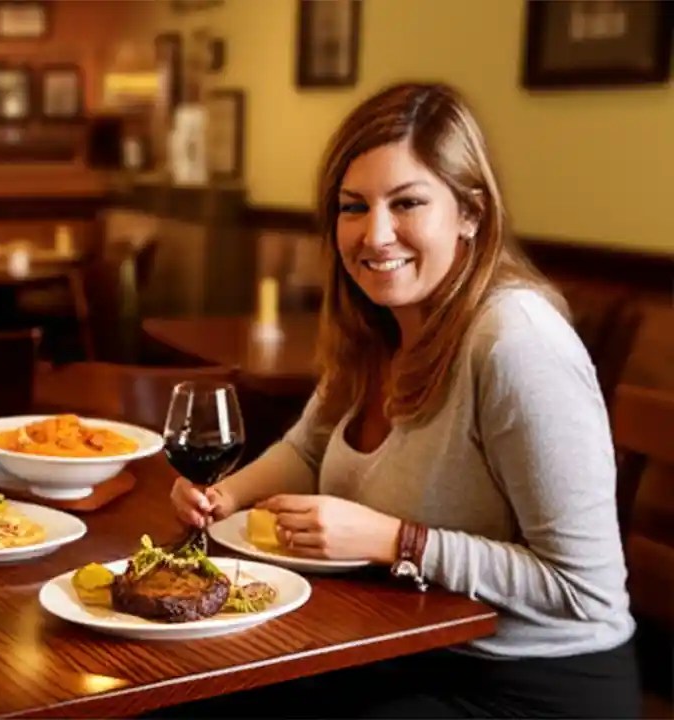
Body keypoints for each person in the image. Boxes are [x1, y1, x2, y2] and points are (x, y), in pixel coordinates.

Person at [170, 82, 640, 718]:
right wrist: (223, 495)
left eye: (407, 202)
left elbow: (584, 588)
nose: (375, 235)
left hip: (532, 683)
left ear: (470, 213)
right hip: (392, 645)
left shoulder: (515, 342)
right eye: (353, 207)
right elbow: (308, 451)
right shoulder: (376, 326)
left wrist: (399, 542)